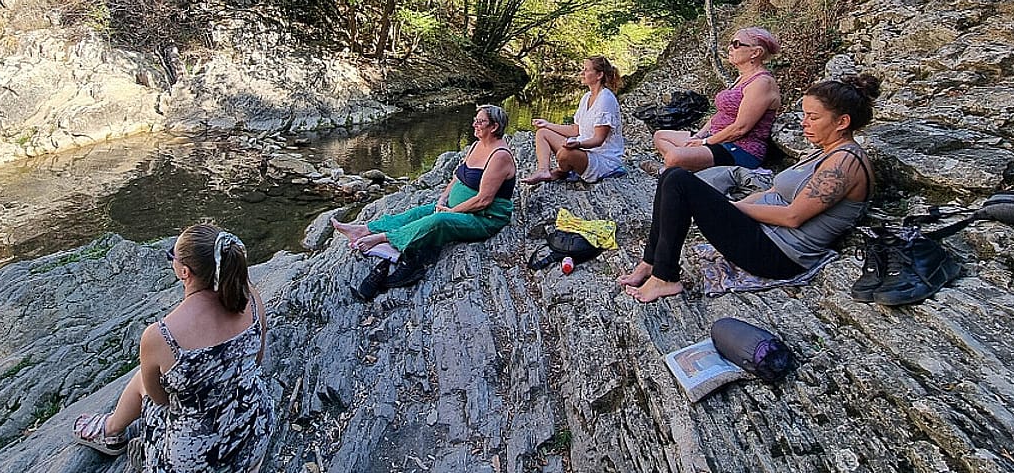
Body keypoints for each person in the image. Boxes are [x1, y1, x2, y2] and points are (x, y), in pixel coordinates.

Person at [619, 74, 880, 303]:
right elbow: (770, 194)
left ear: (842, 122)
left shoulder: (846, 163)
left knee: (678, 180)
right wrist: (721, 207)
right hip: (762, 233)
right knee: (671, 177)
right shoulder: (824, 153)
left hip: (778, 254)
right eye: (804, 115)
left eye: (813, 117)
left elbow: (793, 216)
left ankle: (665, 278)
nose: (804, 123)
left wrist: (731, 208)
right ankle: (651, 262)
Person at [72, 224, 274, 472]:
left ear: (184, 272)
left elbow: (159, 399)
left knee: (141, 381)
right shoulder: (251, 296)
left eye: (172, 256)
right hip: (254, 432)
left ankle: (112, 431)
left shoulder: (161, 336)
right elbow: (257, 359)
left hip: (196, 461)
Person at [331, 104, 516, 265]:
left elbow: (484, 200)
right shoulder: (477, 145)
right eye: (475, 120)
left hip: (484, 218)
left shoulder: (499, 156)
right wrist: (443, 198)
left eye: (480, 122)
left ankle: (385, 238)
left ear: (494, 127)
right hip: (457, 206)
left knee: (438, 221)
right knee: (418, 212)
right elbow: (458, 177)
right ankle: (364, 229)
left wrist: (453, 212)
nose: (474, 124)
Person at [652, 27, 781, 173]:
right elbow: (720, 114)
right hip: (714, 138)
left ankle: (672, 168)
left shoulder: (762, 83)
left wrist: (704, 142)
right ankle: (684, 167)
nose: (730, 48)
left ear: (756, 52)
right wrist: (699, 136)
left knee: (674, 156)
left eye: (736, 44)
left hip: (740, 148)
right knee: (660, 136)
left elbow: (740, 128)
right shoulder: (742, 78)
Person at [523, 56, 625, 185]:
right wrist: (547, 124)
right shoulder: (587, 97)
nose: (582, 73)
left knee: (565, 154)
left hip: (603, 160)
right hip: (584, 151)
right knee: (542, 133)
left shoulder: (606, 99)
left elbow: (599, 140)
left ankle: (562, 171)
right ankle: (543, 170)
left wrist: (578, 145)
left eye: (586, 70)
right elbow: (575, 130)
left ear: (599, 75)